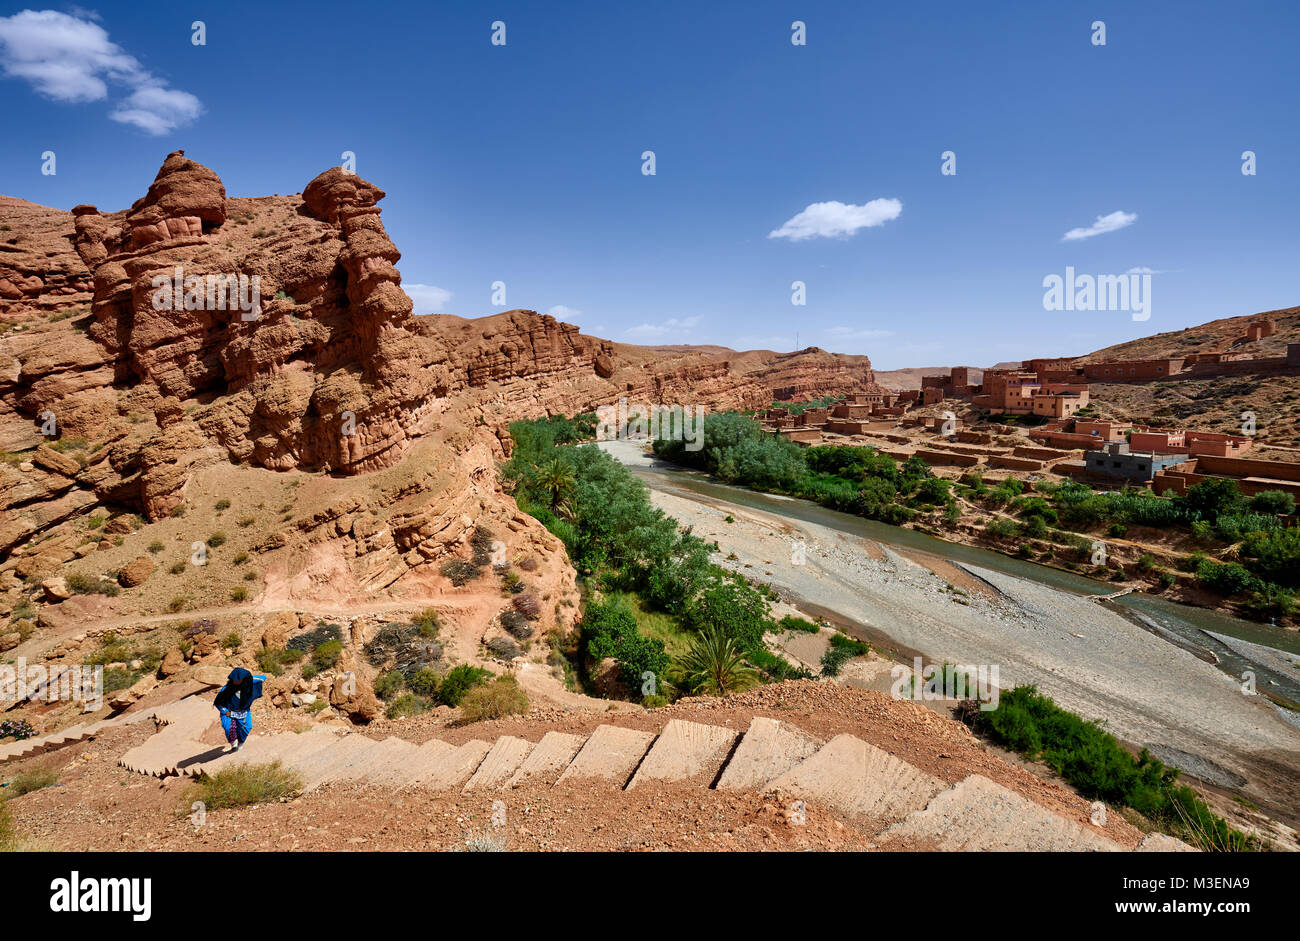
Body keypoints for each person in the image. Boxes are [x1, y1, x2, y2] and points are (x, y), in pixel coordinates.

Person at [213, 667, 266, 751]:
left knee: (247, 727)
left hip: (244, 711)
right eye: (233, 679)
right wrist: (225, 711)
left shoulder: (248, 685)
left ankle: (240, 743)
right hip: (229, 711)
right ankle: (234, 745)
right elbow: (218, 702)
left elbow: (263, 677)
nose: (234, 681)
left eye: (237, 680)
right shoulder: (226, 689)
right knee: (229, 728)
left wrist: (249, 679)